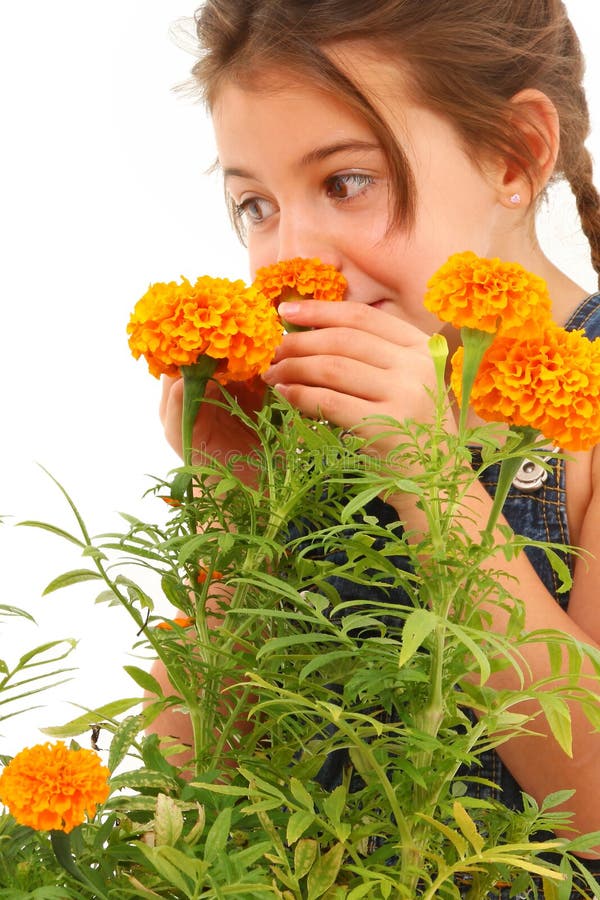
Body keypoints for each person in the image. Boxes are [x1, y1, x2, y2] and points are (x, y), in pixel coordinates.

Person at [154, 0, 600, 886]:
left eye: (346, 182)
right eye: (256, 205)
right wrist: (237, 512)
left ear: (514, 153)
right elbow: (182, 804)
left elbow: (592, 809)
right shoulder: (302, 412)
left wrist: (432, 473)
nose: (291, 253)